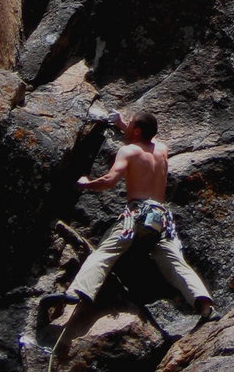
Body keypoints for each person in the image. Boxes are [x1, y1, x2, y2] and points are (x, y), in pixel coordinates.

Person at [45, 109, 215, 322]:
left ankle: (76, 292)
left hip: (137, 215)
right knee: (174, 261)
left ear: (137, 131)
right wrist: (122, 124)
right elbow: (148, 137)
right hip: (161, 219)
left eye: (131, 123)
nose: (128, 125)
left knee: (106, 252)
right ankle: (205, 305)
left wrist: (86, 184)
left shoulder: (128, 151)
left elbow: (109, 180)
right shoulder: (162, 149)